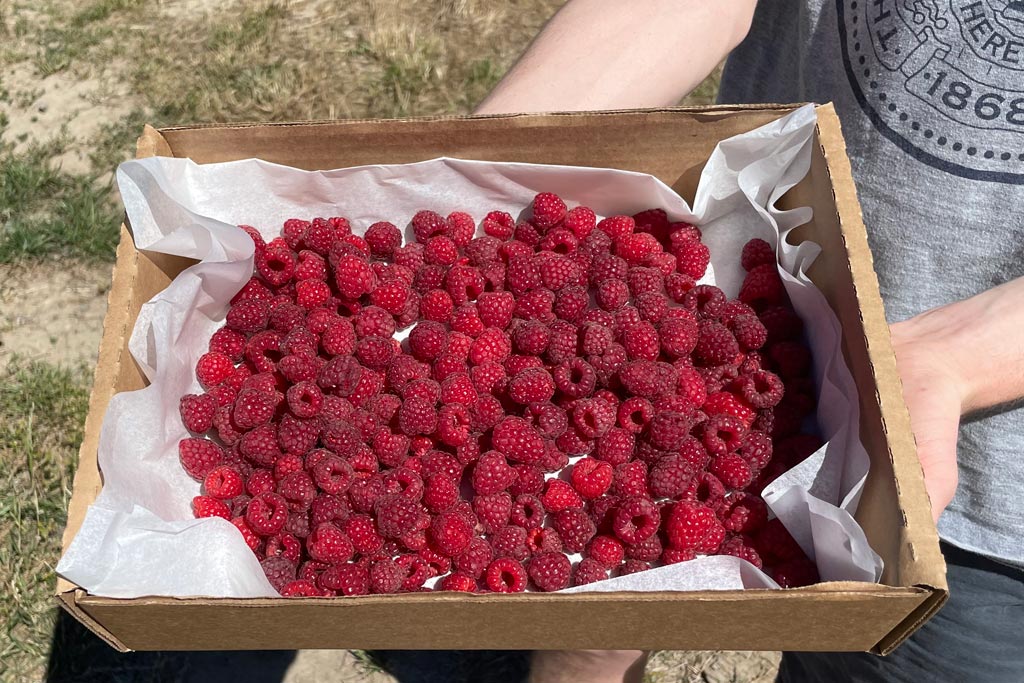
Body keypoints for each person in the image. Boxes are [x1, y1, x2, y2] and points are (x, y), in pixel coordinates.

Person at [475, 2, 1024, 681]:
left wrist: (961, 352)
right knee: (602, 607)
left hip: (985, 503)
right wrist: (480, 158)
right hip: (757, 251)